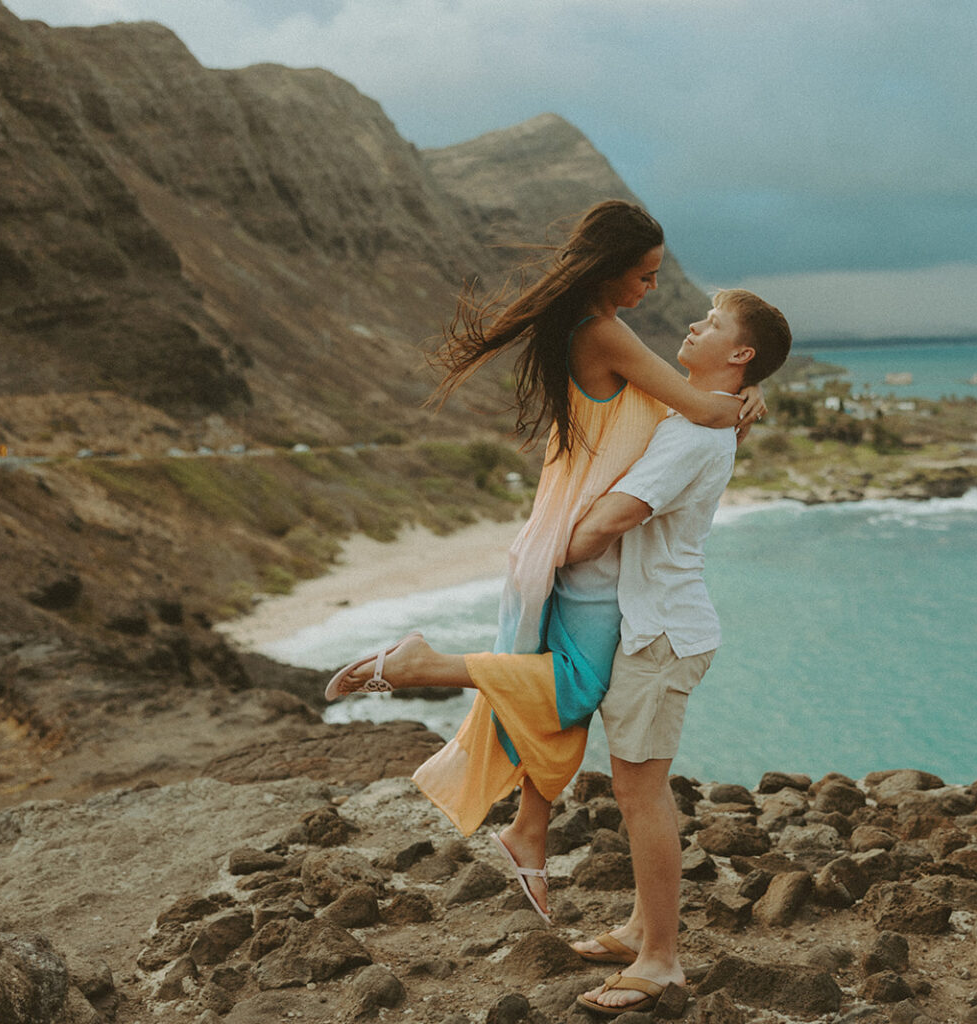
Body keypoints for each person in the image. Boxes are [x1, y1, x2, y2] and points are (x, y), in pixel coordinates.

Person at [325, 201, 764, 923]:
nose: (652, 291)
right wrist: (745, 399)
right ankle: (418, 665)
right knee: (576, 690)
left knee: (558, 705)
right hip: (579, 548)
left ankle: (528, 834)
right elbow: (702, 411)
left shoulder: (587, 329)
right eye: (646, 277)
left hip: (560, 534)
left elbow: (689, 436)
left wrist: (734, 408)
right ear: (612, 269)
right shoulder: (606, 333)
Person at [567, 288, 790, 1015]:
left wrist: (542, 559)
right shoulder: (701, 417)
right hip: (657, 626)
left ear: (741, 354)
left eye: (712, 323)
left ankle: (662, 960)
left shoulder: (693, 432)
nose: (693, 325)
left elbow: (616, 518)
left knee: (640, 792)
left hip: (662, 633)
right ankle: (640, 926)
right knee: (636, 787)